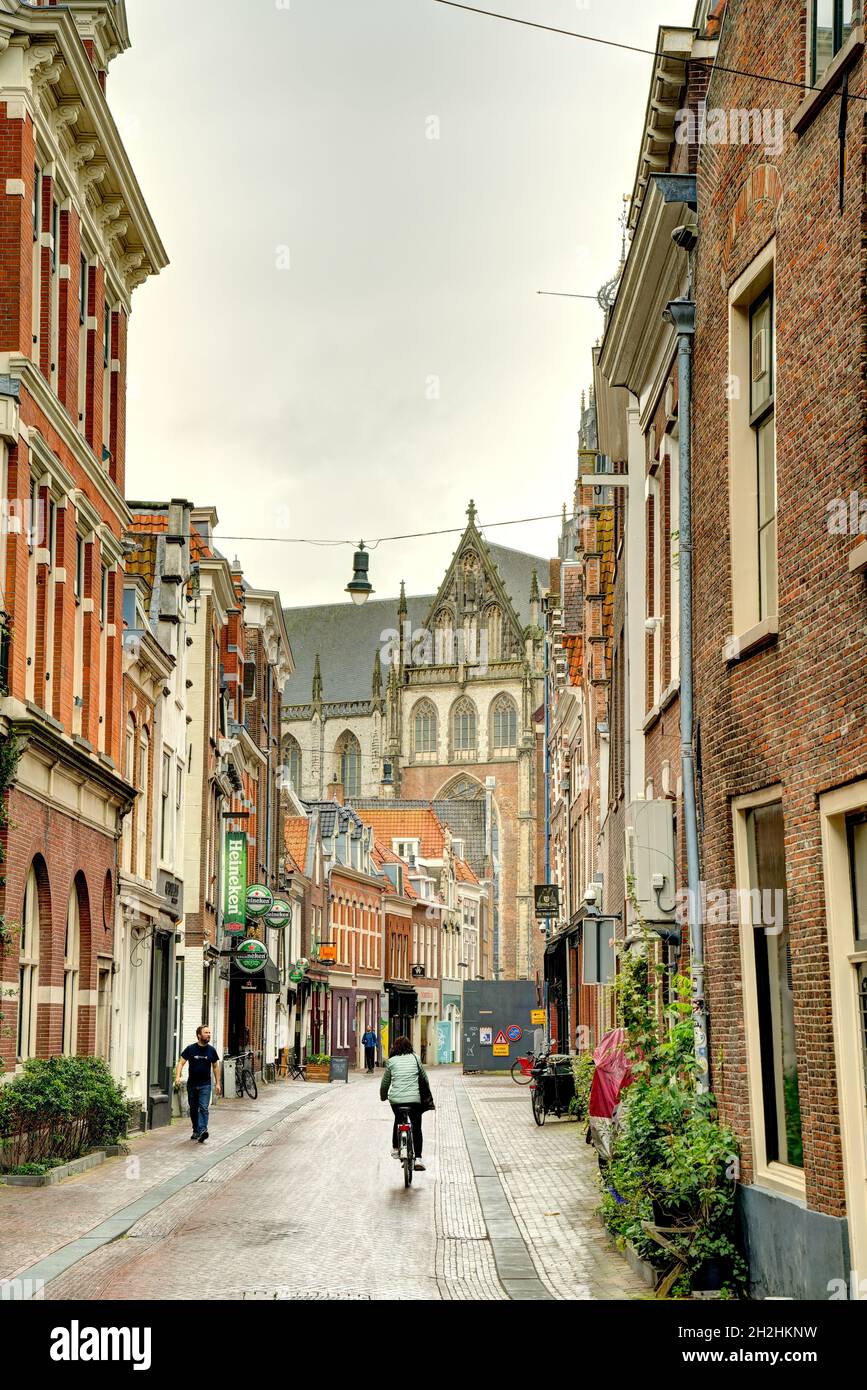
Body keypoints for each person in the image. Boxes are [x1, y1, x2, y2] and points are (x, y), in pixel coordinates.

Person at [380, 1035, 429, 1172]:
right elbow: (424, 1078)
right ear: (410, 1047)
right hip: (414, 1100)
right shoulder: (416, 1058)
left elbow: (385, 1083)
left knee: (398, 1118)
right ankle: (418, 1158)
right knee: (416, 1126)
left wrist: (383, 1096)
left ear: (395, 1047)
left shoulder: (391, 1062)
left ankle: (396, 1148)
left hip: (396, 1101)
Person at [175, 1025, 221, 1143]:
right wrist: (177, 1077)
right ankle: (196, 1130)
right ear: (199, 1035)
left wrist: (217, 1083)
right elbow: (181, 1063)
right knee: (193, 1109)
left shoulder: (211, 1050)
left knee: (204, 1107)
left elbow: (215, 1066)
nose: (209, 1034)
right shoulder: (190, 1049)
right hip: (192, 1085)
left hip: (205, 1085)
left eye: (209, 1032)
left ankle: (202, 1130)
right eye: (206, 1033)